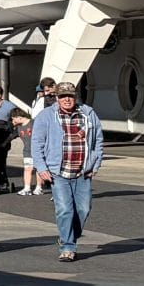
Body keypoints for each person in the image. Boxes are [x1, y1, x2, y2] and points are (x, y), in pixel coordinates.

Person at [34, 82, 103, 260]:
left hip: (83, 171)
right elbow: (37, 144)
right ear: (57, 98)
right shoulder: (46, 116)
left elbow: (98, 141)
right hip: (58, 172)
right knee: (65, 209)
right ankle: (67, 247)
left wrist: (95, 165)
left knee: (84, 208)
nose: (67, 99)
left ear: (75, 97)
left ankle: (69, 235)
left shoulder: (88, 113)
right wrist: (41, 167)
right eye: (63, 96)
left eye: (70, 96)